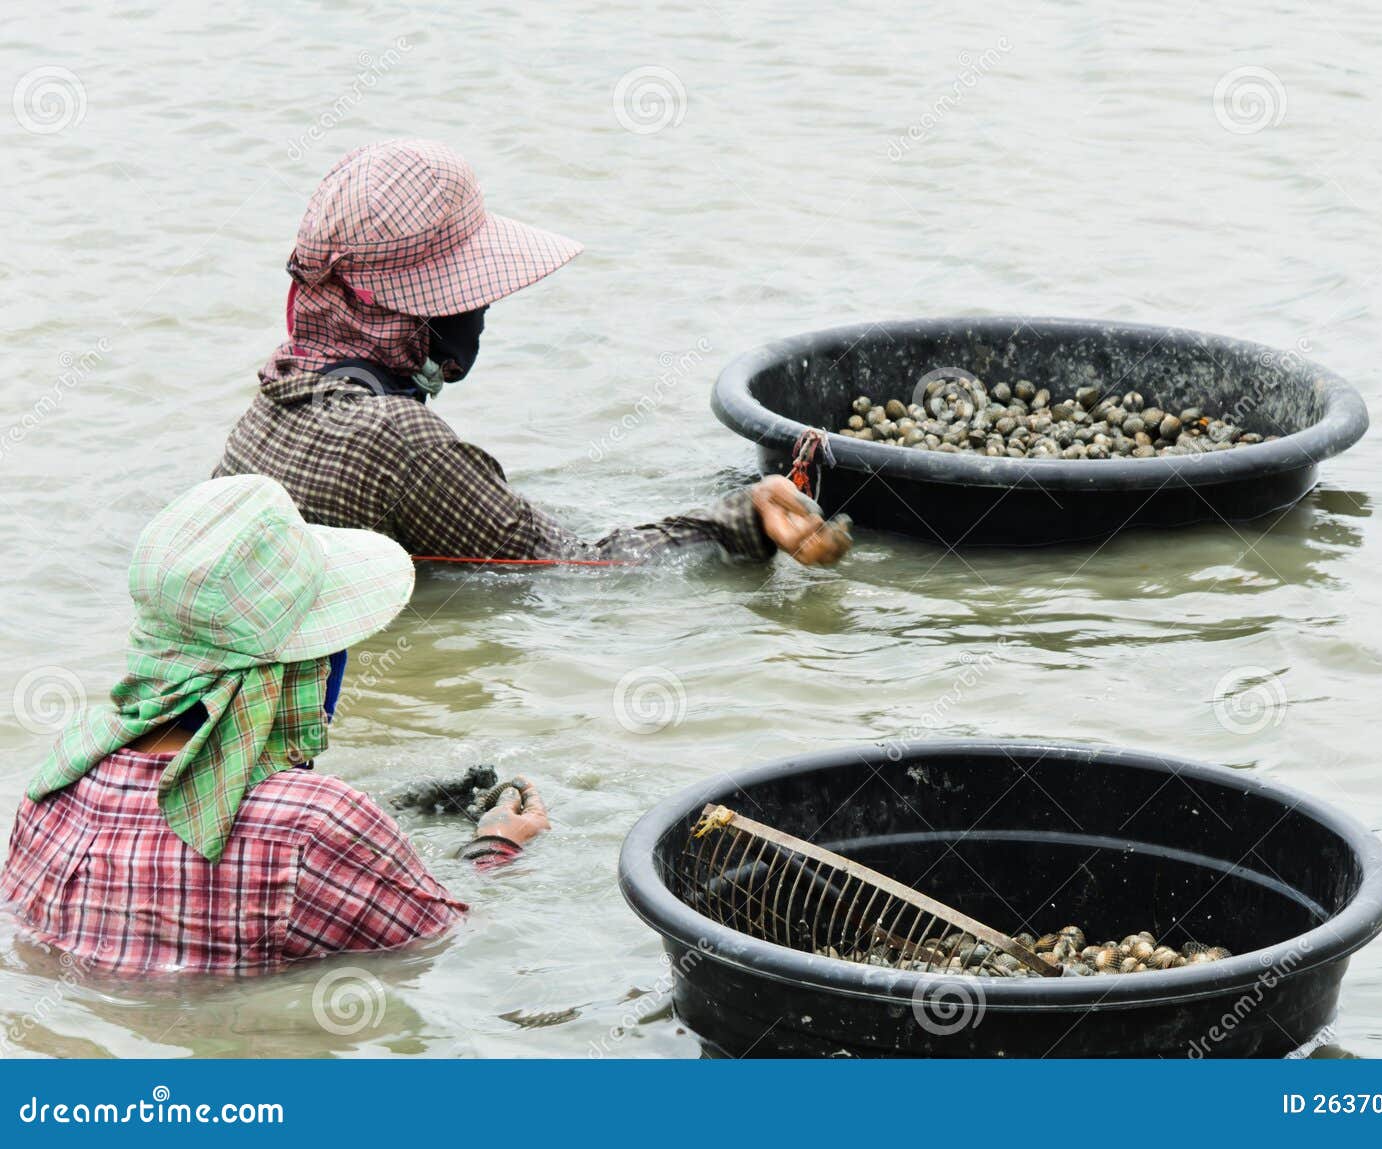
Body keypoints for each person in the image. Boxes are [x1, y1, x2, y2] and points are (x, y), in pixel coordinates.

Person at [213, 138, 849, 568]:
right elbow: (580, 570)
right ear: (416, 307)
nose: (481, 309)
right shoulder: (404, 442)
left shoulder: (270, 404)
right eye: (470, 294)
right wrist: (743, 518)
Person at [0, 475, 545, 975]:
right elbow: (455, 950)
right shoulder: (316, 822)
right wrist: (498, 846)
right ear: (310, 669)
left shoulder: (58, 778)